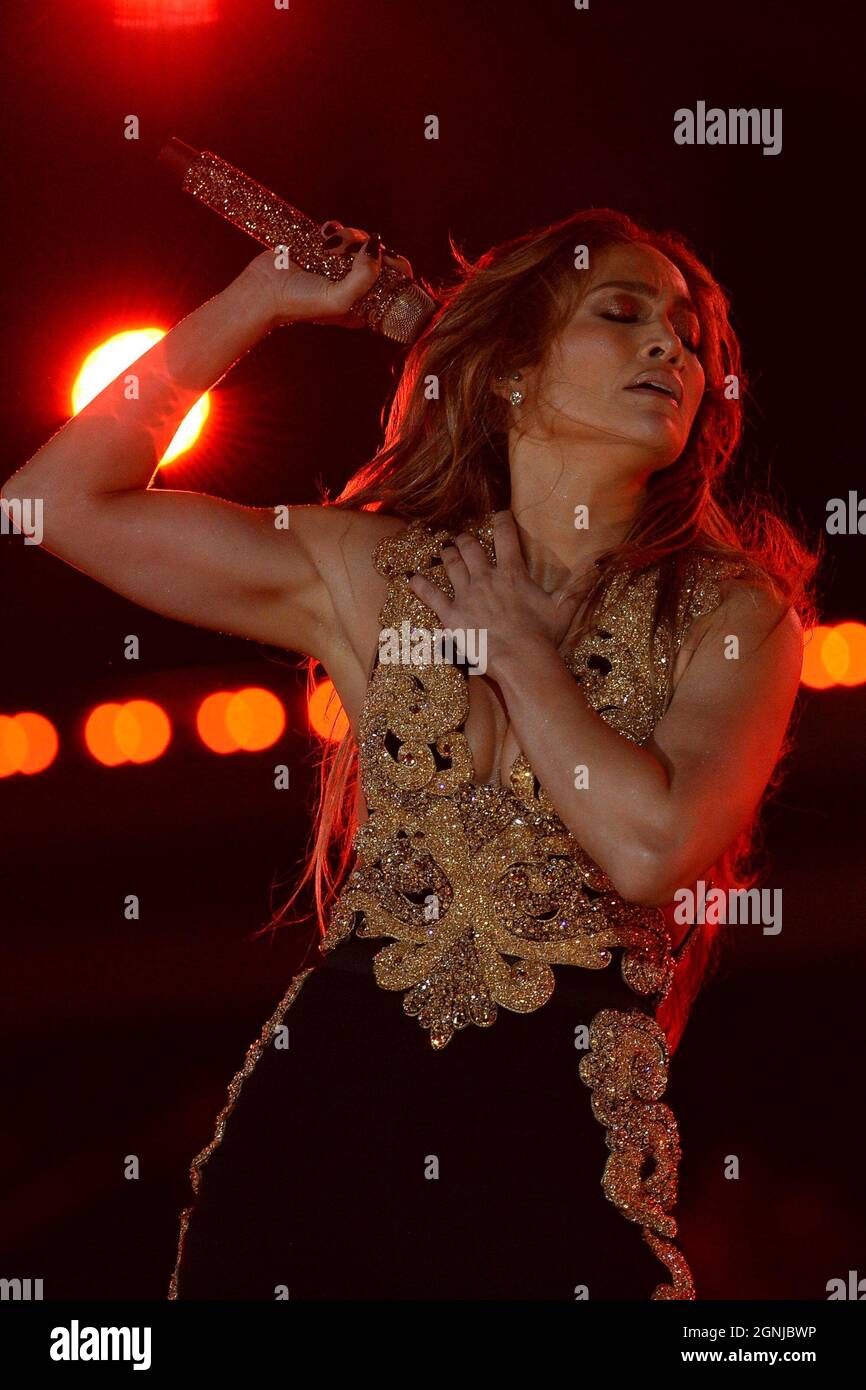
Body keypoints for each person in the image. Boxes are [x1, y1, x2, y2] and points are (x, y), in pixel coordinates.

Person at [1, 208, 818, 1301]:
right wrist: (256, 303)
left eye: (687, 334)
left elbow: (646, 845)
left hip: (554, 1156)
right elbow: (50, 504)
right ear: (513, 372)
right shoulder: (372, 567)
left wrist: (521, 654)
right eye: (621, 314)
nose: (670, 347)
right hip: (314, 1136)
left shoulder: (733, 612)